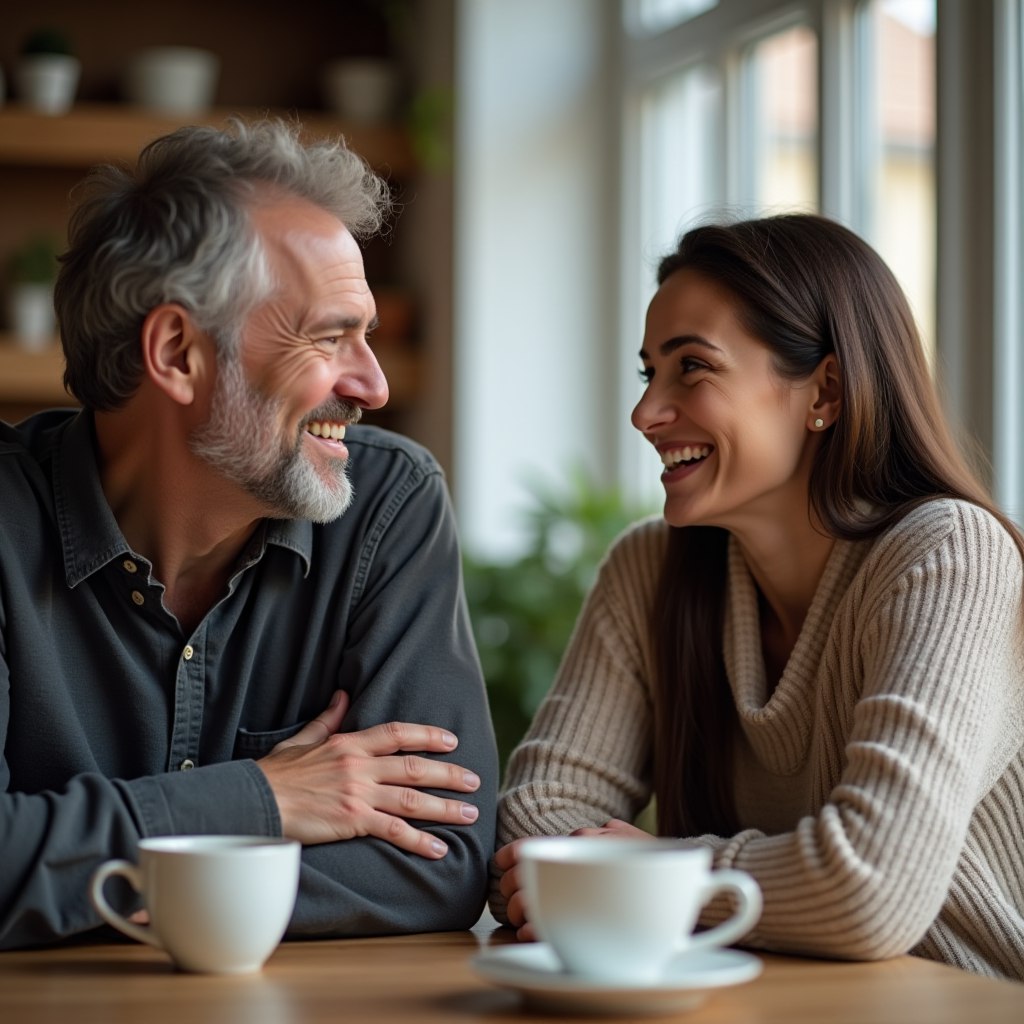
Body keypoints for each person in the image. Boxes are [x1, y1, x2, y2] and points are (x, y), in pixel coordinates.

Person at [0, 118, 497, 949]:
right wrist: (262, 801)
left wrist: (65, 873)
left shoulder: (386, 502)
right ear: (177, 353)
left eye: (368, 336)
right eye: (330, 336)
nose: (372, 383)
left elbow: (435, 860)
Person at [491, 213, 1024, 981]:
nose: (645, 414)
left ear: (826, 392)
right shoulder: (649, 570)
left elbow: (870, 889)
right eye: (649, 374)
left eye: (694, 368)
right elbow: (535, 826)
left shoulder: (946, 554)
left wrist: (660, 876)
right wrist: (725, 884)